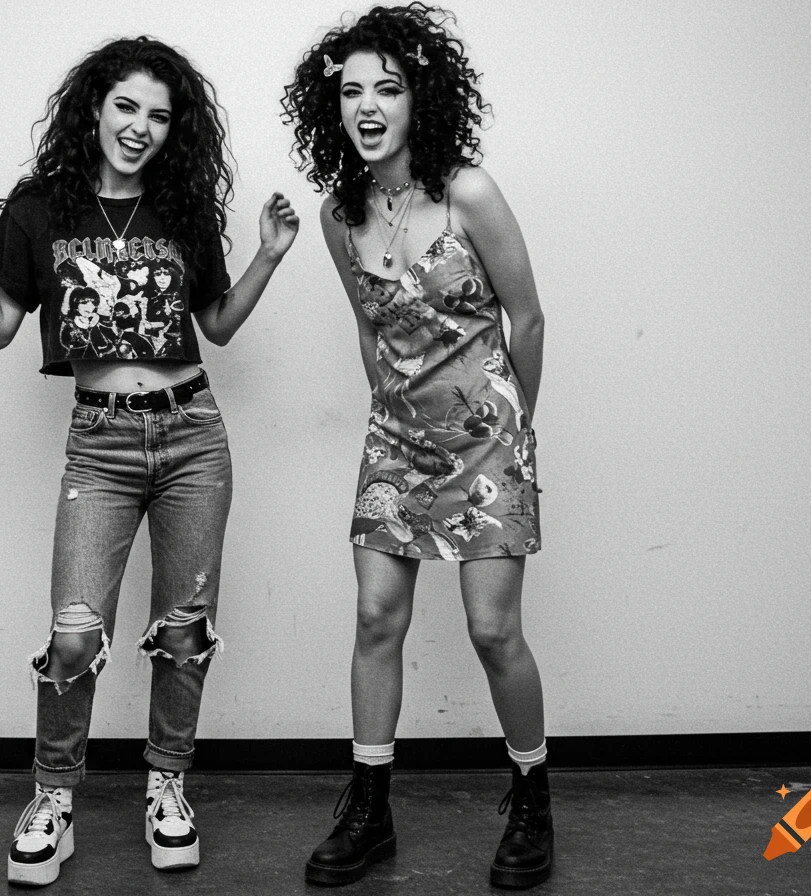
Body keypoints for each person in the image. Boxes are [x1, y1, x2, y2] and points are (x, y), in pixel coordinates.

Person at [0, 36, 298, 887]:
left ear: (177, 130)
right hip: (99, 441)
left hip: (194, 434)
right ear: (93, 107)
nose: (139, 127)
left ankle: (167, 786)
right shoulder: (38, 210)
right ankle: (53, 800)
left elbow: (219, 326)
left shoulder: (183, 207)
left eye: (159, 116)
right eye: (126, 107)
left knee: (183, 632)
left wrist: (270, 258)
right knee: (75, 632)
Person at [281, 4, 551, 888]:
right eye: (352, 90)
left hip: (489, 442)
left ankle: (531, 794)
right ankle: (370, 810)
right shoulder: (337, 212)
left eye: (386, 89)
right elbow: (371, 327)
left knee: (490, 629)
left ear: (417, 102)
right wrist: (391, 415)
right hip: (397, 440)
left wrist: (515, 432)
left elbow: (529, 317)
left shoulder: (468, 192)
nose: (367, 105)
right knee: (374, 619)